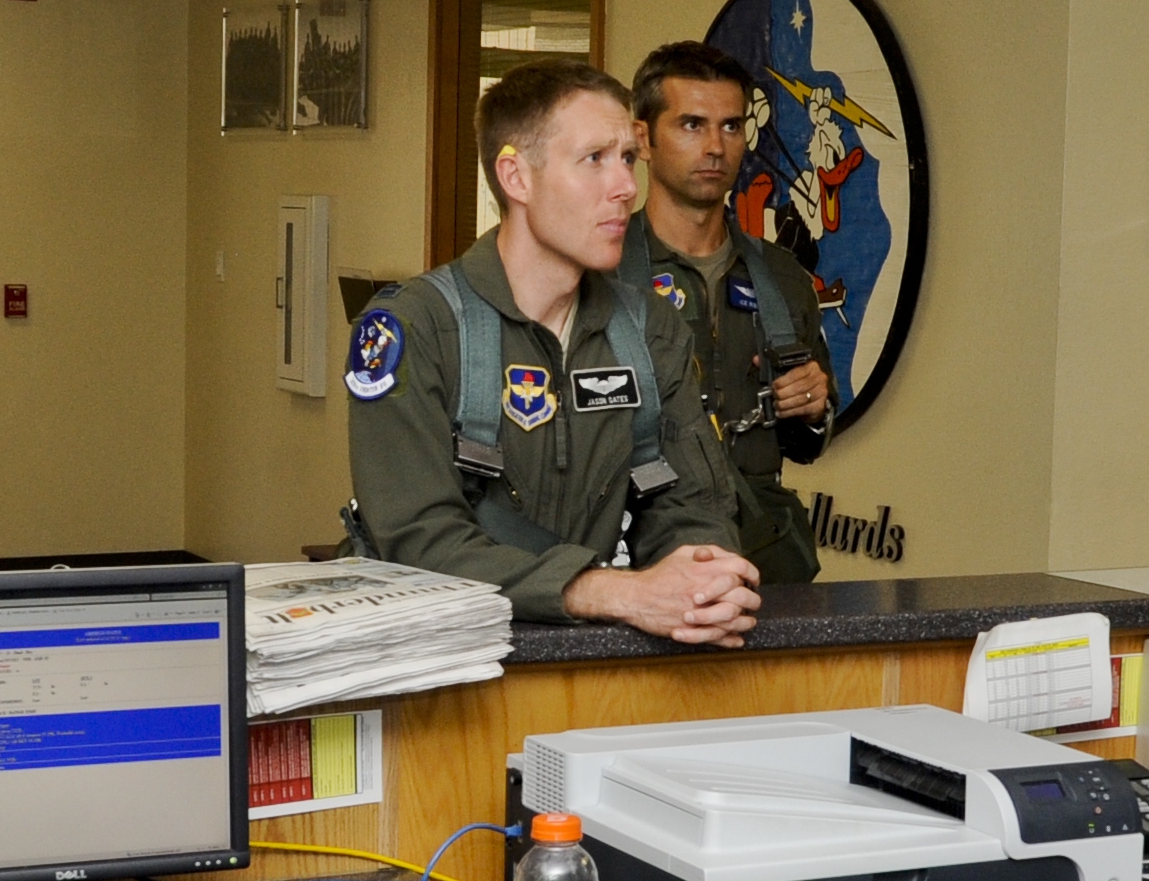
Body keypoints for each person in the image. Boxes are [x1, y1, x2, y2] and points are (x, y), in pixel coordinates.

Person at [344, 59, 757, 643]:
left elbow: (690, 503)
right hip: (437, 659)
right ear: (516, 177)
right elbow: (418, 541)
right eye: (594, 159)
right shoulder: (417, 329)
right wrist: (610, 591)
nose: (625, 187)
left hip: (585, 660)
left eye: (627, 158)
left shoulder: (649, 330)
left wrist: (701, 585)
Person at [619, 40, 839, 585]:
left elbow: (808, 442)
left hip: (761, 558)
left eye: (731, 127)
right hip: (636, 559)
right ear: (643, 139)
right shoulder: (599, 273)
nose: (715, 147)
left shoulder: (781, 279)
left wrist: (813, 408)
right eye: (692, 125)